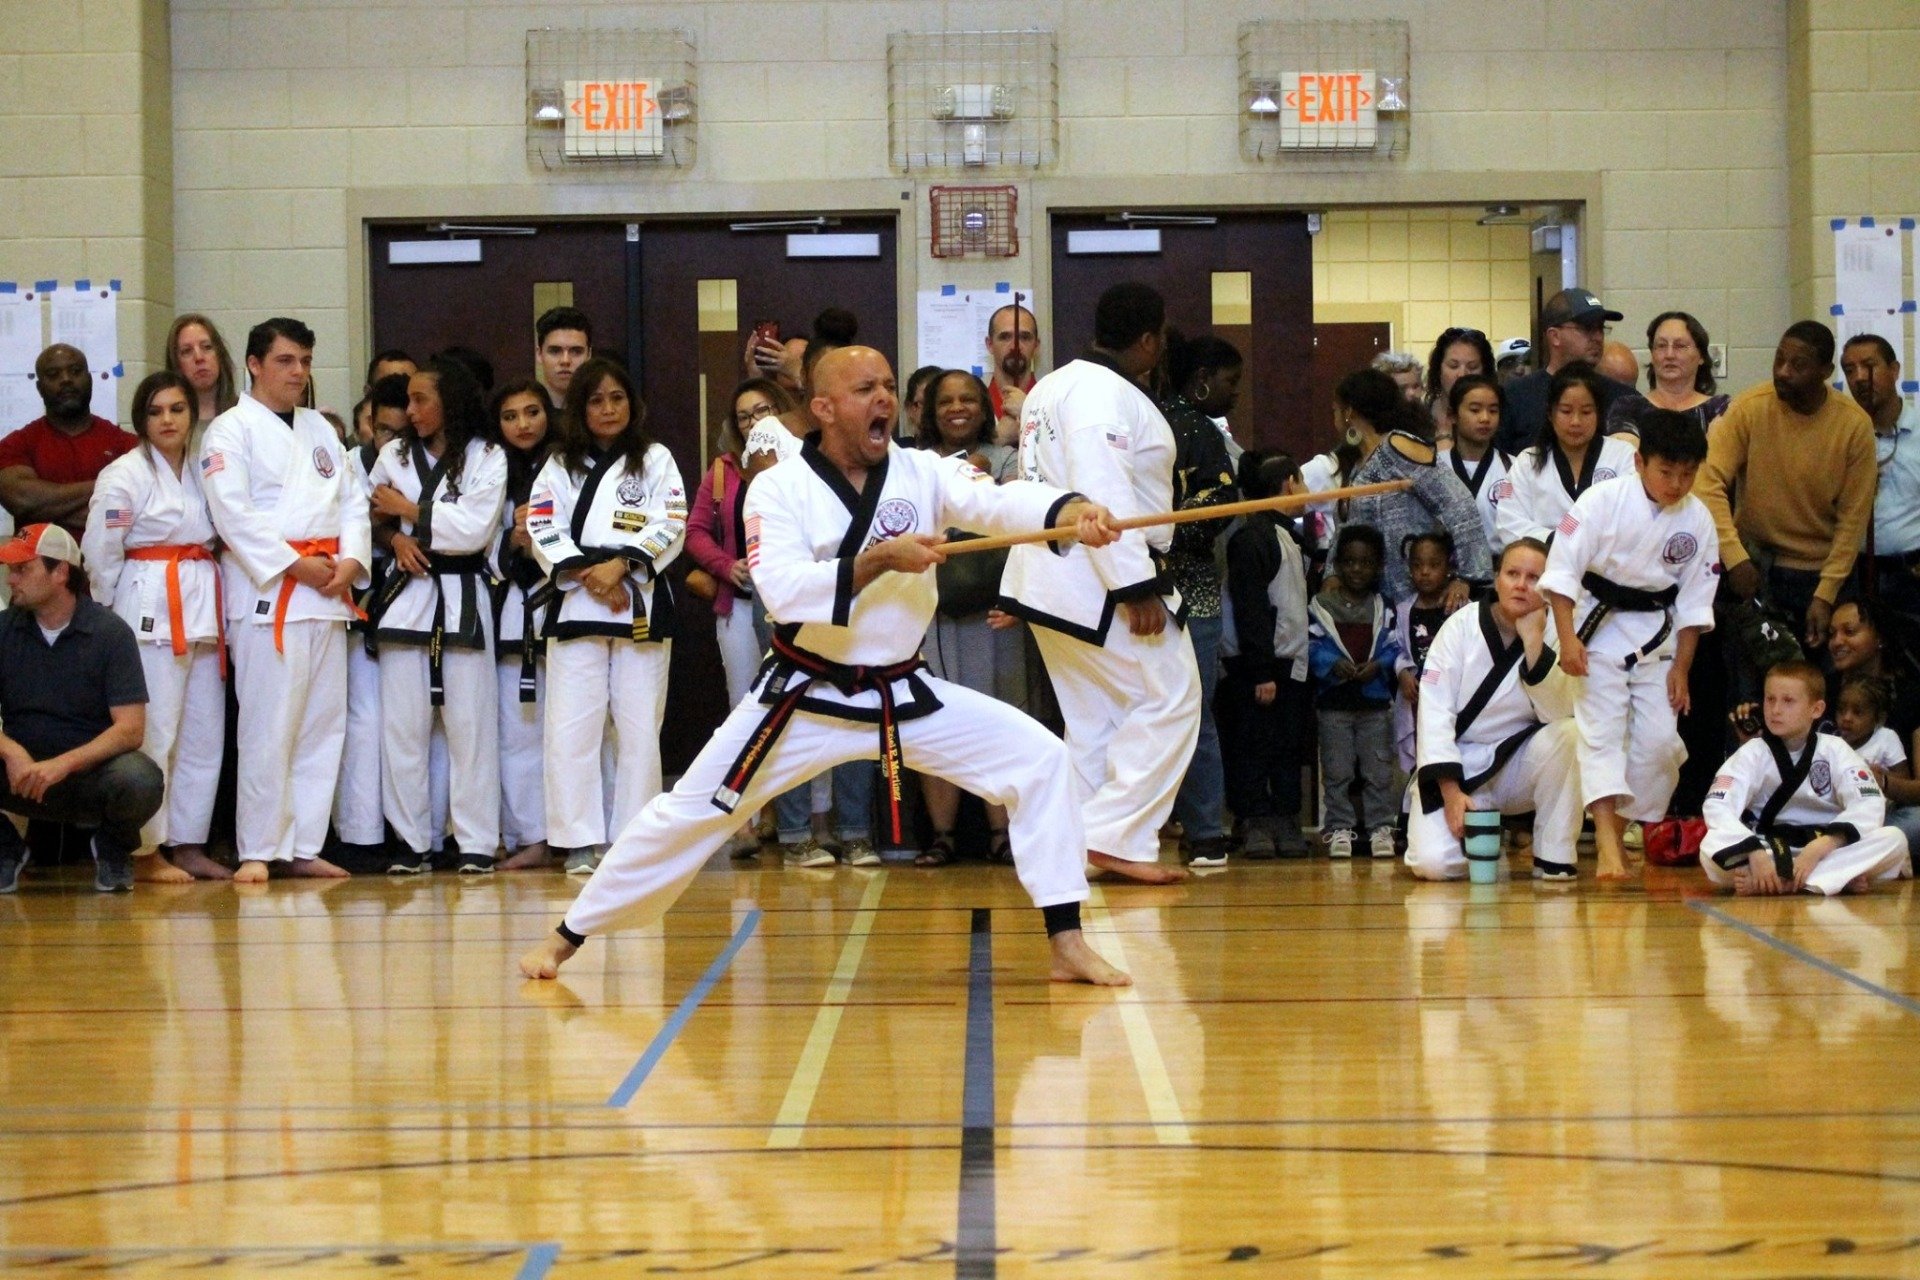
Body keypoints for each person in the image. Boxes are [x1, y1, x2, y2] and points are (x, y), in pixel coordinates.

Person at [516, 345, 1131, 987]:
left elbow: (1001, 503)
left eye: (889, 386)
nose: (884, 400)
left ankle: (1067, 940)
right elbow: (779, 591)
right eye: (866, 388)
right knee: (689, 811)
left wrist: (1068, 513)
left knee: (1040, 759)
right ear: (823, 409)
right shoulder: (778, 489)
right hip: (801, 696)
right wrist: (878, 561)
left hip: (902, 690)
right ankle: (568, 936)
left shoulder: (923, 473)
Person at [999, 282, 1199, 885]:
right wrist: (1134, 585)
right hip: (1096, 576)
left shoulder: (1055, 386)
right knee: (1172, 696)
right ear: (1148, 340)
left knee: (1095, 719)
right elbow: (1099, 489)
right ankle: (1117, 837)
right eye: (1159, 338)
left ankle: (1080, 842)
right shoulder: (1097, 392)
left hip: (1056, 575)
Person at [199, 317, 369, 882]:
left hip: (326, 591)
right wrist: (293, 563)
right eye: (286, 361)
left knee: (322, 726)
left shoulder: (321, 429)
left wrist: (351, 562)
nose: (299, 372)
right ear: (254, 364)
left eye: (305, 361)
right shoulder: (229, 431)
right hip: (270, 591)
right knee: (269, 725)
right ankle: (258, 846)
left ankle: (301, 844)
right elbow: (232, 513)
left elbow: (353, 501)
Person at [1542, 408, 1720, 880]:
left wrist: (1682, 668)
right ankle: (1605, 846)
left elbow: (1696, 604)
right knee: (1600, 735)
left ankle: (1615, 833)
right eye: (1667, 471)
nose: (1677, 483)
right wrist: (1566, 639)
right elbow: (1561, 574)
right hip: (1593, 627)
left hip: (1655, 635)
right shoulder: (1600, 502)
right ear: (1640, 462)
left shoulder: (1698, 520)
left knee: (1661, 745)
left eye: (1688, 474)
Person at [528, 357, 686, 876]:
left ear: (632, 404)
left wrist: (623, 565)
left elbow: (673, 521)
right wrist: (589, 573)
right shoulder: (558, 462)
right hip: (577, 599)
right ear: (580, 408)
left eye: (617, 398)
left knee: (640, 725)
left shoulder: (656, 458)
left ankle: (633, 841)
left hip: (637, 595)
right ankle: (577, 839)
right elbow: (541, 523)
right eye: (596, 400)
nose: (607, 409)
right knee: (572, 726)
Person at [81, 370, 228, 882]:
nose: (167, 420)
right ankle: (144, 850)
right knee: (157, 731)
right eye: (155, 411)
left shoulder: (205, 470)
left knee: (203, 735)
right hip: (147, 608)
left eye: (177, 409)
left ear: (192, 415)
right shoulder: (123, 474)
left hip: (201, 606)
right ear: (142, 420)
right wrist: (107, 622)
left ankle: (186, 842)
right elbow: (100, 554)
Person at [366, 357, 506, 875]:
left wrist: (407, 511)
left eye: (422, 399)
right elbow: (368, 516)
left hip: (465, 592)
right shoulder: (394, 454)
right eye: (409, 400)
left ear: (452, 402)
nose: (411, 410)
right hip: (408, 592)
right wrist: (394, 536)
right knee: (403, 727)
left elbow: (472, 530)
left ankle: (474, 842)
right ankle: (411, 841)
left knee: (470, 726)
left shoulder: (487, 455)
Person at [1693, 320, 1876, 663]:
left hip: (1822, 572)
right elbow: (1707, 482)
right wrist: (1735, 557)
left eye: (1797, 364)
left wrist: (1826, 593)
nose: (1782, 371)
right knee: (1755, 692)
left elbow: (1853, 521)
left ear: (1825, 371)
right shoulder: (1749, 408)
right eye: (1779, 360)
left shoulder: (1853, 426)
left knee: (1820, 689)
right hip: (1755, 568)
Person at [1405, 537, 1583, 881]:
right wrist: (1451, 792)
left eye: (1533, 578)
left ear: (1547, 587)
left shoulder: (1557, 635)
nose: (1520, 584)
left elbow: (1559, 713)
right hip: (1459, 768)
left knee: (1571, 735)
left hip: (1517, 764)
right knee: (1434, 866)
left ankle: (1554, 854)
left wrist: (1534, 645)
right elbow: (1434, 714)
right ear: (1496, 578)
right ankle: (1483, 831)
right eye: (1512, 573)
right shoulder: (1458, 628)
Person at [0, 523, 163, 894]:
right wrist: (11, 752)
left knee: (140, 779)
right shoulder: (4, 630)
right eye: (11, 570)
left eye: (23, 569)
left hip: (88, 775)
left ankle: (113, 847)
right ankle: (5, 848)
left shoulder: (110, 633)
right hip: (20, 772)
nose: (11, 580)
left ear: (60, 572)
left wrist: (63, 764)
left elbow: (130, 729)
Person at [913, 369, 1025, 867]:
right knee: (933, 723)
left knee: (999, 722)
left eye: (967, 400)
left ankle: (1002, 834)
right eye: (945, 402)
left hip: (995, 610)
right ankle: (943, 836)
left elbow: (1024, 533)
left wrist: (1020, 602)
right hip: (928, 613)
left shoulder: (1011, 460)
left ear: (984, 407)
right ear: (929, 412)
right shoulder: (912, 467)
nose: (956, 409)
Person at [1701, 661, 1909, 896]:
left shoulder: (1835, 750)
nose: (1775, 709)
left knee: (1894, 839)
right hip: (1769, 848)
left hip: (1826, 847)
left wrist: (1825, 845)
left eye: (1788, 701)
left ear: (1816, 709)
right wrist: (1754, 853)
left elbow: (1868, 803)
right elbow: (1718, 805)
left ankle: (1778, 883)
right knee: (1708, 849)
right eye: (1770, 699)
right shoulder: (1752, 753)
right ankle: (1835, 879)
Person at [1162, 333, 1243, 867]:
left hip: (1165, 585)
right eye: (1231, 382)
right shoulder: (1193, 430)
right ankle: (1206, 829)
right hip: (1183, 591)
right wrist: (1165, 548)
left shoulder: (1183, 426)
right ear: (1202, 381)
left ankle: (1196, 826)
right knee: (1193, 713)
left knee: (1179, 712)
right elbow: (1219, 505)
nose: (1235, 394)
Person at [333, 373, 410, 868]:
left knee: (408, 726)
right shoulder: (349, 466)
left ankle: (414, 835)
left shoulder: (430, 464)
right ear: (365, 424)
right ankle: (361, 837)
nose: (391, 442)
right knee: (363, 721)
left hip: (416, 605)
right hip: (361, 600)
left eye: (401, 432)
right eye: (382, 430)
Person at [1218, 450, 1311, 858]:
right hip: (1261, 668)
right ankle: (1255, 819)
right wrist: (1261, 671)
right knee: (1253, 745)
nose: (1306, 493)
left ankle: (1285, 819)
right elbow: (1251, 607)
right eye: (1303, 483)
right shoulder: (1254, 537)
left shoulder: (1286, 535)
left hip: (1285, 665)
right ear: (1288, 482)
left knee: (1285, 745)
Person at [1338, 367, 1490, 606]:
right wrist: (1332, 575)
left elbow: (1457, 504)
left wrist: (1467, 577)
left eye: (1336, 410)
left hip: (1423, 593)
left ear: (1348, 412)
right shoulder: (1357, 465)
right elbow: (1348, 530)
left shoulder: (1397, 445)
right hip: (1379, 600)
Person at [489, 379, 557, 869]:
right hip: (511, 604)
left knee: (572, 731)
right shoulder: (488, 469)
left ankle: (575, 829)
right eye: (510, 416)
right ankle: (528, 832)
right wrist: (510, 539)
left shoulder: (568, 463)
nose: (523, 424)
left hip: (567, 603)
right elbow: (470, 537)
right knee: (518, 731)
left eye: (532, 412)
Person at [1308, 524, 1400, 859]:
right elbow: (1312, 645)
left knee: (1377, 770)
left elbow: (1394, 647)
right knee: (1337, 769)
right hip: (1334, 704)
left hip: (1375, 703)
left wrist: (1379, 665)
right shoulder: (1321, 605)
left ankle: (1380, 827)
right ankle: (1339, 827)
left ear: (1378, 566)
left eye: (1365, 563)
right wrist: (1333, 663)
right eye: (1349, 562)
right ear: (1338, 564)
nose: (1357, 569)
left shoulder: (1383, 607)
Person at [1495, 361, 1638, 549]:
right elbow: (1509, 522)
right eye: (1566, 411)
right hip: (1544, 562)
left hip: (1606, 566)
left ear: (1599, 413)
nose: (1575, 421)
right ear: (1549, 413)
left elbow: (1634, 518)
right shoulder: (1527, 461)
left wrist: (1587, 542)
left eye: (1586, 412)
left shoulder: (1623, 456)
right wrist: (1558, 540)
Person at [0, 344, 136, 536]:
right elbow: (23, 501)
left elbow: (134, 516)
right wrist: (110, 485)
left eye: (75, 371)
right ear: (39, 388)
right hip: (41, 565)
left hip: (107, 565)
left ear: (89, 379)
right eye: (53, 374)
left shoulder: (126, 446)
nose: (66, 380)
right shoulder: (16, 445)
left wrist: (43, 512)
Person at [1842, 334, 1920, 621]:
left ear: (1895, 370)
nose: (1860, 377)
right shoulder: (1841, 436)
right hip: (1854, 574)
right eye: (1850, 370)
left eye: (1869, 365)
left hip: (1911, 575)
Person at [1497, 288, 1633, 454]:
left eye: (1600, 328)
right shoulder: (1514, 396)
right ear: (1554, 336)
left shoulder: (1624, 399)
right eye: (1588, 328)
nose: (1597, 337)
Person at [1392, 531, 1458, 772]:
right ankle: (1418, 803)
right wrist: (1403, 673)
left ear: (1448, 566)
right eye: (1417, 565)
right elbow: (1397, 648)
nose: (1425, 572)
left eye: (1434, 565)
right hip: (1417, 696)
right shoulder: (1403, 610)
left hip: (1453, 694)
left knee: (1452, 752)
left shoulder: (1461, 607)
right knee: (1421, 757)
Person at [1605, 312, 1728, 437]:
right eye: (1661, 345)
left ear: (1701, 356)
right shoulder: (1628, 408)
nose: (1669, 355)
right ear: (1652, 355)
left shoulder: (1721, 408)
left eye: (1680, 346)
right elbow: (1627, 452)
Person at [1438, 373, 1509, 558]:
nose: (1485, 418)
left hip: (1498, 570)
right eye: (1475, 410)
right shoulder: (1435, 467)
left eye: (1493, 410)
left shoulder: (1515, 467)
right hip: (1446, 572)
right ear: (1452, 415)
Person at [165, 314, 240, 427]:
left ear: (220, 354)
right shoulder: (168, 424)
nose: (199, 357)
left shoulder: (246, 416)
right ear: (176, 363)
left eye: (207, 347)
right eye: (187, 351)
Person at [1423, 327, 1496, 440]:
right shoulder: (1418, 419)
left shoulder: (1496, 421)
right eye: (1453, 366)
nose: (1462, 374)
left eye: (1472, 367)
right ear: (1438, 369)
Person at [985, 301, 1040, 446]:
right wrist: (997, 440)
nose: (1015, 345)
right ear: (989, 345)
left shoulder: (1053, 402)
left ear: (1036, 345)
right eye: (1005, 337)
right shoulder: (973, 406)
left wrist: (1030, 412)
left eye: (1024, 337)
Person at [535, 307, 593, 404]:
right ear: (539, 354)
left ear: (589, 355)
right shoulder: (523, 415)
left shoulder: (603, 414)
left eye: (576, 351)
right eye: (555, 351)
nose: (565, 361)